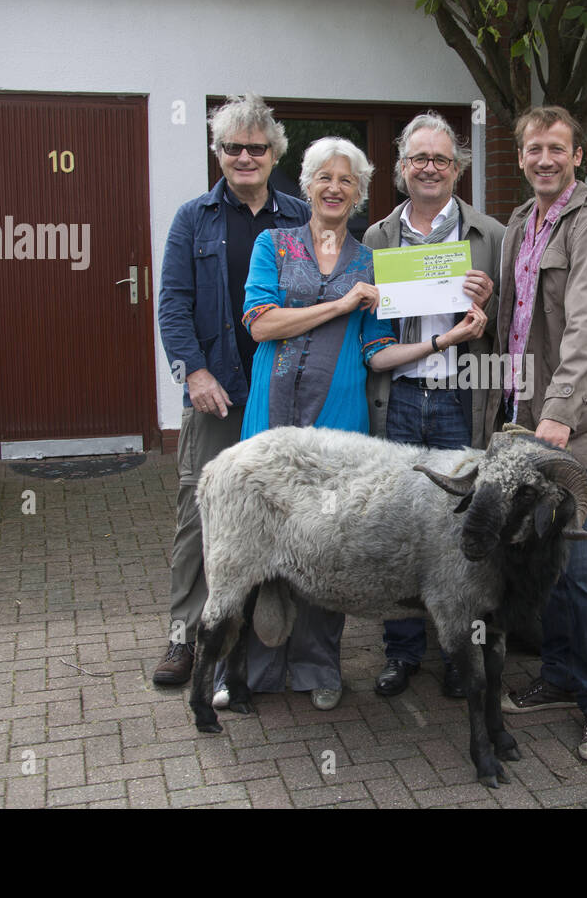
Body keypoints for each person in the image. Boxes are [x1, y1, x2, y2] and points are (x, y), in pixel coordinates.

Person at [229, 136, 485, 710]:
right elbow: (260, 323)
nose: (335, 188)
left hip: (339, 421)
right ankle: (249, 670)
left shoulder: (371, 262)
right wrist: (342, 305)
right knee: (256, 538)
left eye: (347, 180)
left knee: (327, 544)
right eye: (325, 177)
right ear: (307, 185)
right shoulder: (274, 244)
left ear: (360, 192)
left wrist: (445, 340)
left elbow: (377, 353)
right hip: (271, 413)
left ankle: (319, 668)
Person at [485, 105, 587, 763]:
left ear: (577, 156)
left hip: (573, 422)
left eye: (557, 149)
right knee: (550, 558)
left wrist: (561, 413)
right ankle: (563, 675)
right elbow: (519, 321)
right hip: (524, 415)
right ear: (521, 157)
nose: (545, 159)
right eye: (534, 149)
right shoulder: (521, 222)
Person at [153, 94, 309, 687]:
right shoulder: (193, 219)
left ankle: (274, 640)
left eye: (256, 148)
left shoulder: (300, 217)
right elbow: (173, 304)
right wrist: (193, 372)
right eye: (233, 147)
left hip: (283, 392)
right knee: (201, 512)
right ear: (218, 153)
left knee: (286, 511)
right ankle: (184, 636)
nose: (245, 157)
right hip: (217, 393)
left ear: (274, 154)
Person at [363, 112, 504, 700]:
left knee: (456, 529)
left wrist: (489, 306)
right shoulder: (376, 238)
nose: (430, 168)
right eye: (419, 158)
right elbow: (367, 329)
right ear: (402, 168)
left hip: (458, 398)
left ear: (457, 169)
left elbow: (512, 329)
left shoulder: (490, 235)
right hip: (396, 398)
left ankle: (456, 652)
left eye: (441, 160)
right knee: (395, 523)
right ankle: (401, 652)